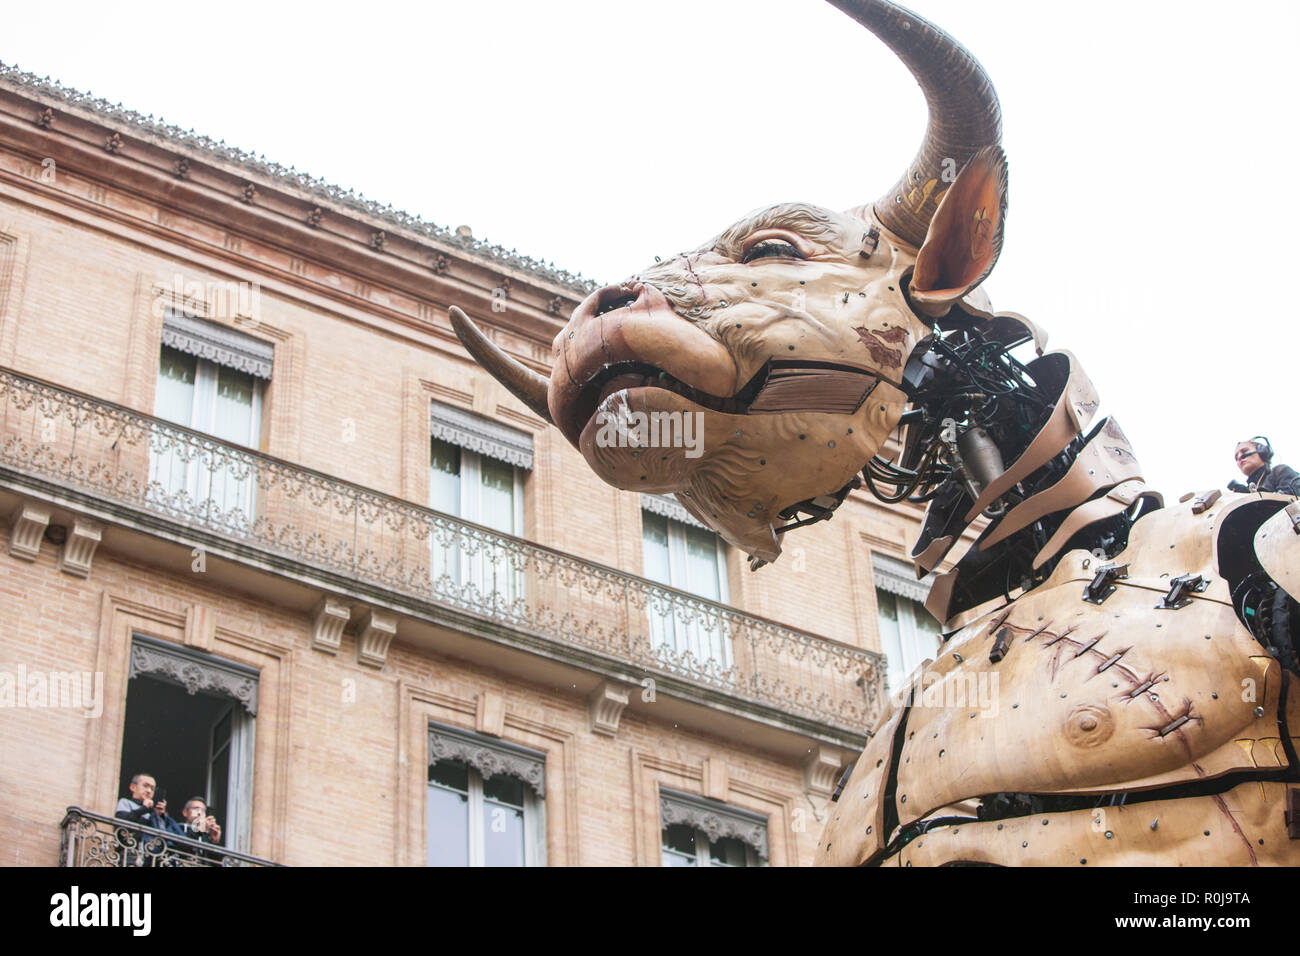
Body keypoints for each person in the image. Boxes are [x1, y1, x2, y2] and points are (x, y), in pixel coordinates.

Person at [1228, 437, 1300, 496]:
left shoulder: (1280, 471)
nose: (1240, 457)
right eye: (1236, 457)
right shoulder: (1245, 491)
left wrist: (1262, 497)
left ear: (1262, 452)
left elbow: (1292, 500)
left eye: (1244, 451)